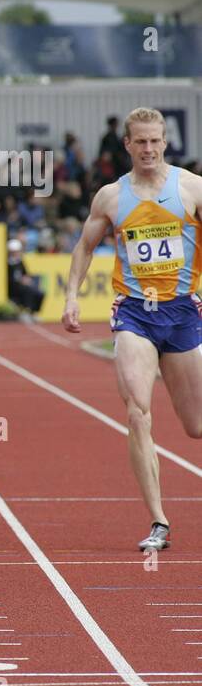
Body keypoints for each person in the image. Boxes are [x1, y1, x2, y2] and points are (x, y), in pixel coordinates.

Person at [63, 107, 202, 552]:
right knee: (137, 412)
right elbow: (85, 247)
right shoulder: (110, 197)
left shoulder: (191, 188)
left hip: (183, 313)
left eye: (155, 141)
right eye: (140, 141)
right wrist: (71, 296)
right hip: (134, 315)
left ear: (166, 142)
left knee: (195, 426)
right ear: (127, 145)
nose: (148, 149)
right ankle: (159, 521)